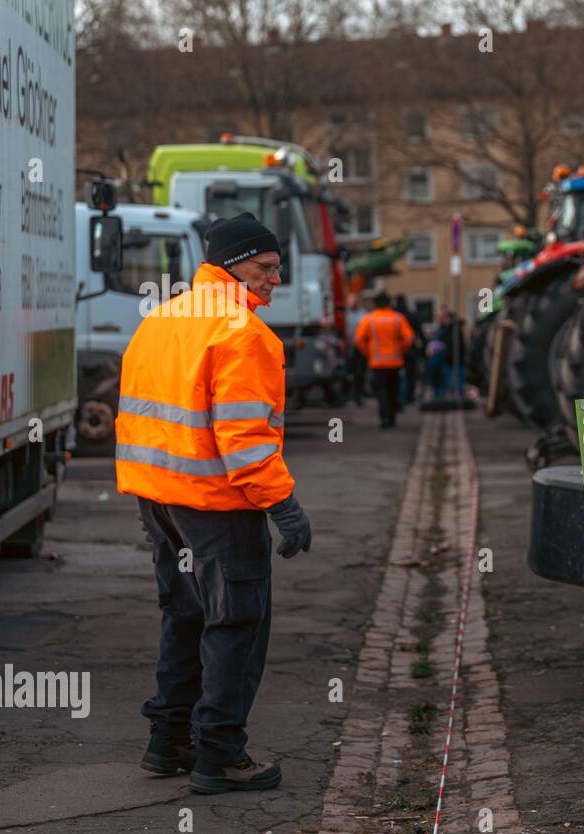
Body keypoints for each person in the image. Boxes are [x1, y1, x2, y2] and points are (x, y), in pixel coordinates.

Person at [116, 212, 313, 795]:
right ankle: (221, 755)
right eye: (264, 267)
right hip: (217, 503)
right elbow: (244, 439)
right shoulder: (243, 334)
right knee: (236, 621)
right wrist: (284, 505)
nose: (275, 278)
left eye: (278, 267)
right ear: (232, 266)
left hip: (159, 496)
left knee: (185, 614)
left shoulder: (161, 317)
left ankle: (170, 740)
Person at [354, 290, 415, 427]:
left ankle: (384, 417)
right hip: (395, 362)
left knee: (381, 391)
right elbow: (409, 337)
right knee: (393, 390)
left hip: (377, 363)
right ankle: (392, 416)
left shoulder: (369, 319)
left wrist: (367, 352)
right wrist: (401, 349)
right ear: (389, 303)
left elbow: (358, 339)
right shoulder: (397, 318)